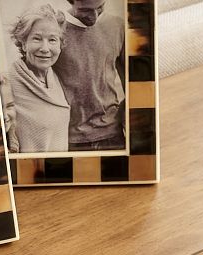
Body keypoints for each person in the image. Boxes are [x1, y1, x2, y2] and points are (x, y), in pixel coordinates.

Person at [52, 0, 125, 150]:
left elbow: (133, 82)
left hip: (112, 134)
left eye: (100, 7)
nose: (94, 16)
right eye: (85, 10)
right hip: (71, 139)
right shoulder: (54, 31)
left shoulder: (118, 26)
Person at [7, 5, 71, 152]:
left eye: (52, 40)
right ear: (23, 44)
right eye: (37, 38)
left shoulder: (56, 78)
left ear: (61, 45)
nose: (45, 48)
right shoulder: (7, 83)